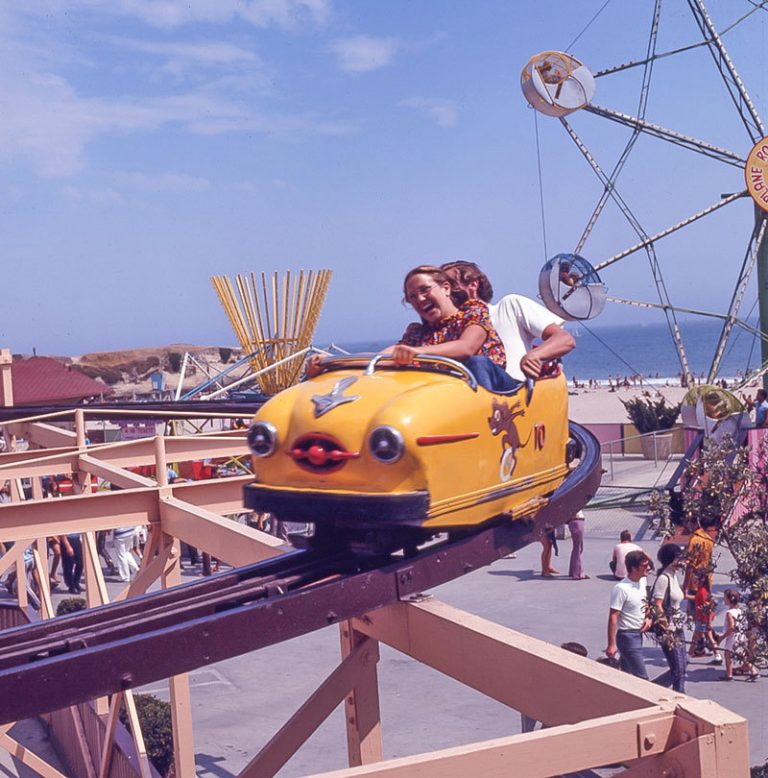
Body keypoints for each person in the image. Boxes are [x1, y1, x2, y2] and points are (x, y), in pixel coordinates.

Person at [383, 265, 518, 393]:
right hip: (448, 397)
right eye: (412, 296)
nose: (420, 298)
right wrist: (370, 362)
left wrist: (416, 352)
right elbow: (392, 353)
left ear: (446, 288)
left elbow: (467, 347)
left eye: (425, 289)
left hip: (497, 391)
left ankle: (482, 411)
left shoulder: (473, 314)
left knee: (477, 363)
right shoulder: (416, 334)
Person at [441, 260, 575, 381]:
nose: (446, 292)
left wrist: (535, 355)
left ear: (473, 285)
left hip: (512, 401)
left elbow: (564, 340)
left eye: (450, 285)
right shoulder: (446, 330)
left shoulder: (508, 307)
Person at [606, 550, 653, 679]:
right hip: (627, 636)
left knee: (625, 677)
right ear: (633, 568)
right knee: (642, 678)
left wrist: (648, 618)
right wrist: (611, 644)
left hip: (638, 634)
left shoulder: (642, 581)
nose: (648, 568)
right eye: (644, 566)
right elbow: (613, 616)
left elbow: (646, 602)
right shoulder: (621, 588)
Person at [651, 543, 688, 692]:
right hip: (669, 629)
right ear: (670, 559)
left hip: (678, 627)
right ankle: (678, 694)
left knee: (683, 664)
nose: (681, 561)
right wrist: (666, 628)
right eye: (678, 558)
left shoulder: (673, 575)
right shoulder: (663, 579)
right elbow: (657, 604)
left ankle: (658, 689)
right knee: (678, 669)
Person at [719, 589, 756, 681]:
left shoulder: (729, 613)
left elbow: (732, 627)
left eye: (724, 598)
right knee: (742, 655)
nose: (723, 600)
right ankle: (754, 671)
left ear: (729, 600)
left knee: (727, 655)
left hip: (733, 638)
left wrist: (722, 637)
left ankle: (729, 675)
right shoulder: (740, 611)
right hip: (741, 636)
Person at [689, 568, 722, 663]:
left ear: (702, 579)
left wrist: (708, 623)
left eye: (695, 579)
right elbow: (697, 598)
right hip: (703, 619)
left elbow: (707, 608)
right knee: (710, 638)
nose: (693, 581)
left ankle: (688, 656)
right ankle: (718, 655)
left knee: (695, 638)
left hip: (703, 619)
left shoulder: (702, 592)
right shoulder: (702, 590)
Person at [568, 511, 588, 580]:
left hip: (576, 521)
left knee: (577, 547)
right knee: (578, 548)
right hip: (577, 521)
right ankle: (577, 573)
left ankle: (573, 571)